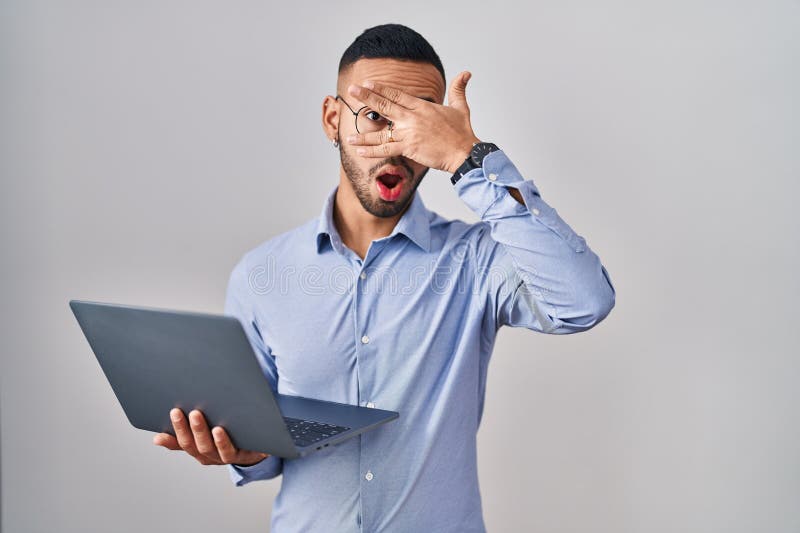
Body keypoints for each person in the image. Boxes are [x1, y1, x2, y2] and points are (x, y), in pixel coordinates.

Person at [153, 23, 616, 532]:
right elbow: (264, 451)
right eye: (374, 117)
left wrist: (469, 158)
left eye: (417, 124)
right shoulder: (261, 275)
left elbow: (583, 301)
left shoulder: (475, 261)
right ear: (333, 120)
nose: (395, 145)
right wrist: (241, 451)